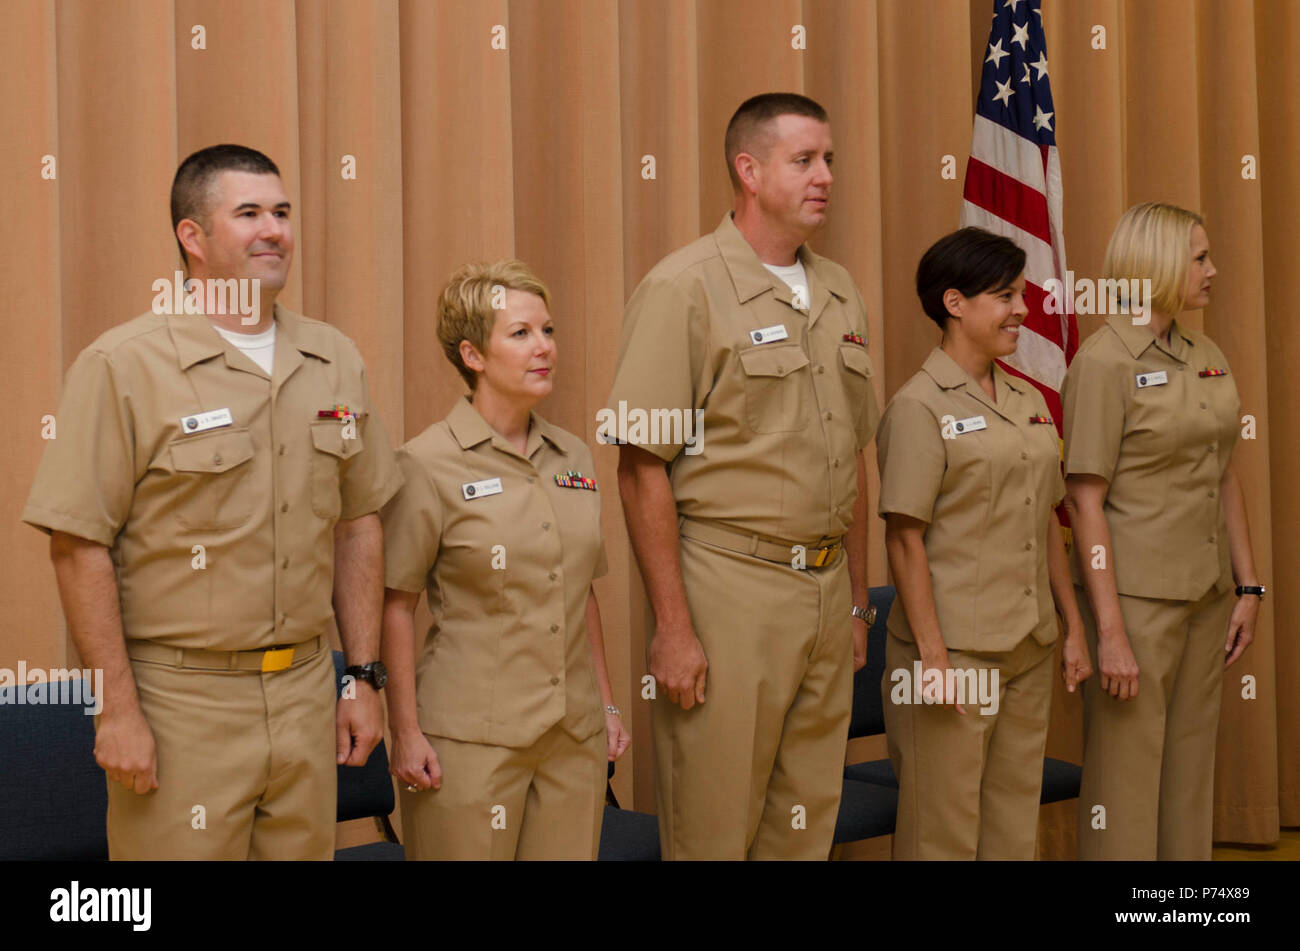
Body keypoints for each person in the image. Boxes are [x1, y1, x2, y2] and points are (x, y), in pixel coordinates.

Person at [22, 144, 402, 860]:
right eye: (250, 213)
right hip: (180, 706)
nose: (274, 231)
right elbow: (77, 545)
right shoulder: (124, 365)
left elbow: (358, 524)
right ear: (191, 237)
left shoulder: (334, 360)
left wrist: (361, 676)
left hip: (303, 697)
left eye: (283, 213)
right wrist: (118, 708)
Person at [607, 92, 879, 860]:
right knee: (717, 828)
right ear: (749, 170)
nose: (825, 175)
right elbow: (639, 466)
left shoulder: (840, 290)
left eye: (829, 159)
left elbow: (855, 453)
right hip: (730, 588)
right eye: (805, 160)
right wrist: (673, 624)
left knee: (805, 825)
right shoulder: (683, 287)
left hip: (825, 594)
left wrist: (857, 602)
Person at [380, 260, 630, 861]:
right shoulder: (425, 463)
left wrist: (607, 704)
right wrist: (405, 732)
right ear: (472, 354)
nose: (544, 347)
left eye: (547, 331)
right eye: (520, 334)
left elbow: (580, 593)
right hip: (469, 739)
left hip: (572, 736)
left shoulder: (572, 453)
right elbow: (395, 606)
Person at [876, 227, 1092, 860]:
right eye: (1005, 296)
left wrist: (1072, 627)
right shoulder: (918, 406)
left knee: (1011, 828)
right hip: (955, 657)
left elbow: (1045, 521)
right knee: (940, 836)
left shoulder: (1027, 398)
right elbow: (904, 540)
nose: (1022, 310)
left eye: (1020, 294)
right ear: (955, 303)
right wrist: (934, 661)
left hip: (1026, 644)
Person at [1063, 202, 1262, 860]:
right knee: (1123, 784)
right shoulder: (1104, 361)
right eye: (1199, 257)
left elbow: (1222, 470)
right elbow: (1083, 500)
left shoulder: (1205, 352)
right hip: (1137, 602)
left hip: (1206, 596)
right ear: (1154, 266)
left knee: (1188, 776)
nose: (1214, 269)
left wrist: (1249, 586)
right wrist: (1110, 629)